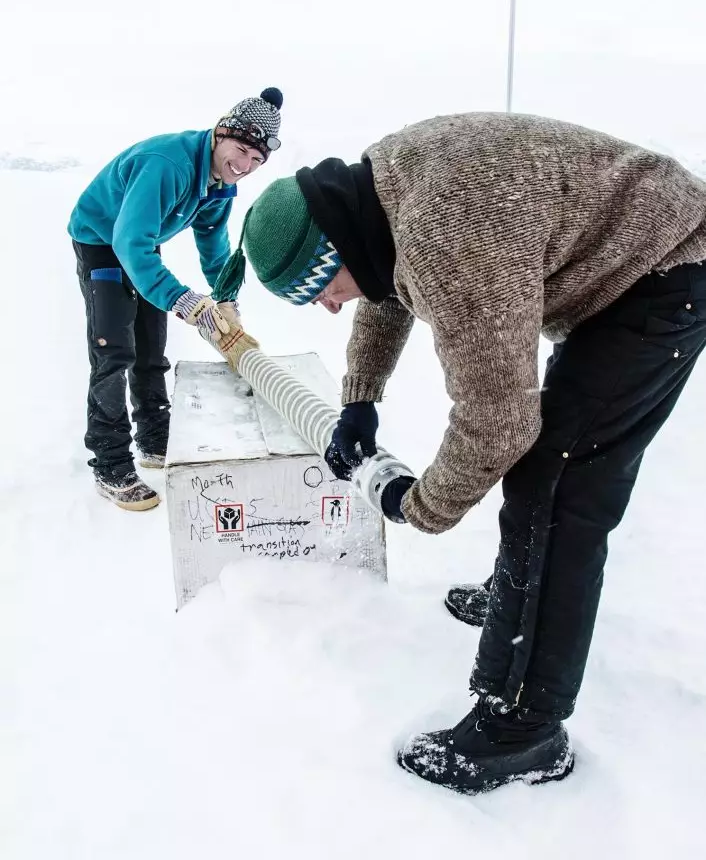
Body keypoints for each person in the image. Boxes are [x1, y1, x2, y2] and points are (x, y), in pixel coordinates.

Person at [220, 111, 706, 795]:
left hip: (661, 269)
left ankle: (522, 730)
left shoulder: (447, 235)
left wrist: (414, 505)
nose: (329, 308)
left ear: (335, 255)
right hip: (626, 250)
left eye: (321, 291)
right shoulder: (380, 192)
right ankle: (521, 597)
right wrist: (362, 396)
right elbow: (386, 286)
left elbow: (499, 420)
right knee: (544, 486)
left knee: (556, 495)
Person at [68, 87, 283, 511]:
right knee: (114, 352)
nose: (243, 166)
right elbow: (128, 242)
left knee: (151, 348)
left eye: (256, 161)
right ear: (221, 133)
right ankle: (110, 464)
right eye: (240, 150)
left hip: (143, 245)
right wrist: (183, 299)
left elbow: (214, 244)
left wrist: (225, 298)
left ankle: (153, 438)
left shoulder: (220, 181)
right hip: (103, 242)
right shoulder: (168, 165)